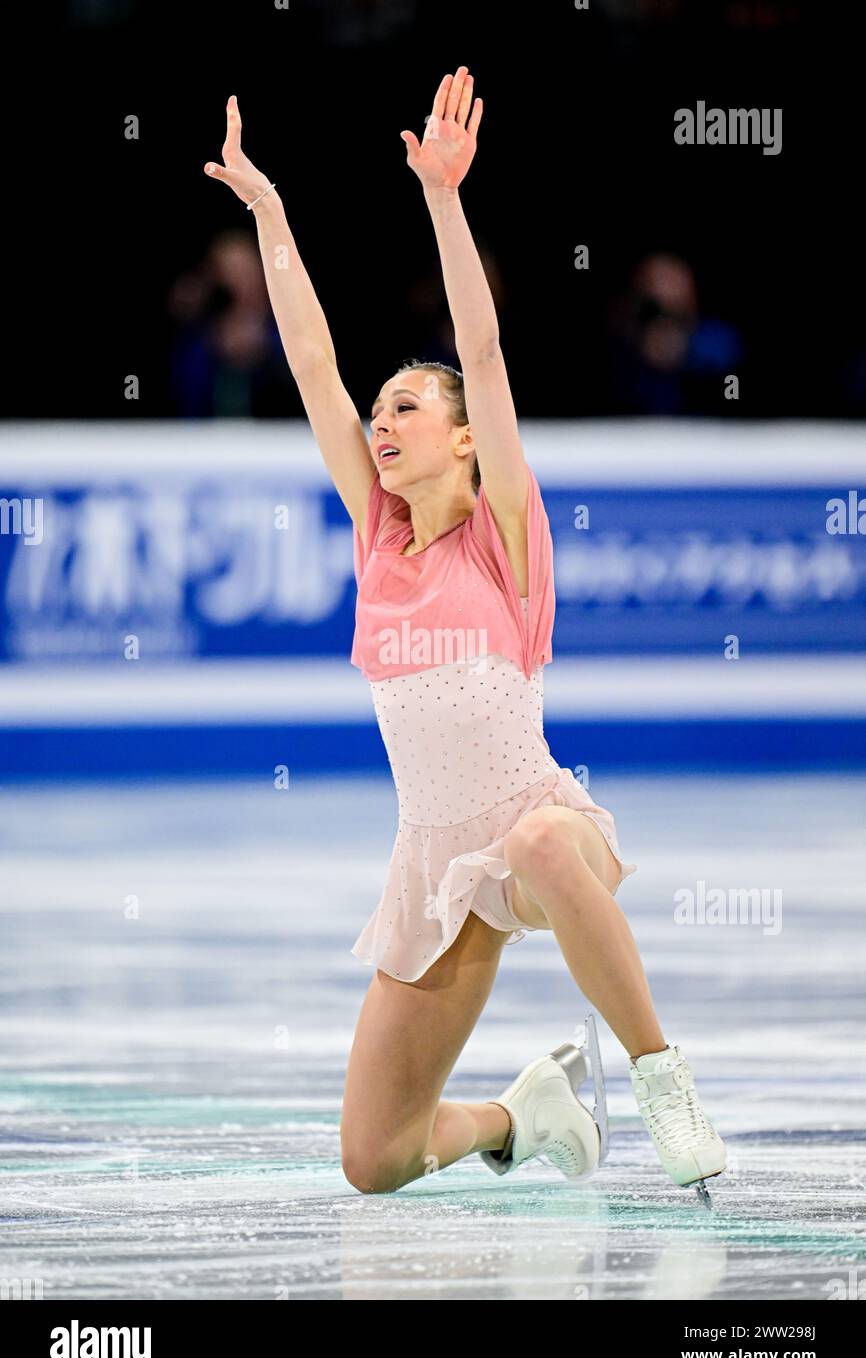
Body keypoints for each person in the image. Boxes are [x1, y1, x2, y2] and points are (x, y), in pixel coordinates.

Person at [204, 70, 726, 1197]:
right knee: (372, 1160)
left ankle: (660, 1079)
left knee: (536, 842)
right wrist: (269, 213)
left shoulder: (504, 534)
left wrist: (442, 198)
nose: (381, 422)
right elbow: (308, 364)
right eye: (377, 409)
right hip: (432, 863)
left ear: (464, 443)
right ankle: (520, 1115)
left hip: (541, 836)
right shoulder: (374, 541)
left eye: (406, 407)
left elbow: (480, 356)